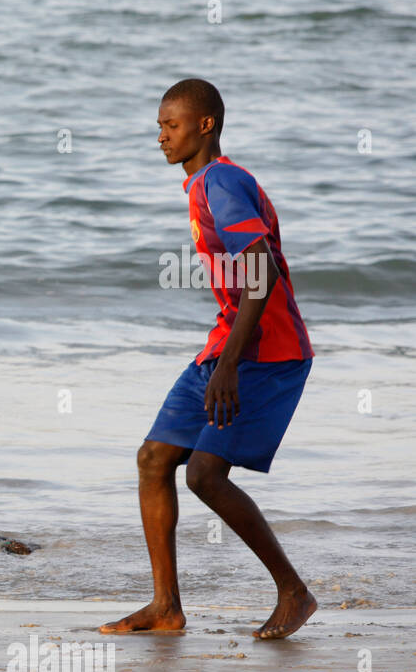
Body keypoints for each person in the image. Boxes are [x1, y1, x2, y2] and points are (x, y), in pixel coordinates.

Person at [100, 79, 316, 640]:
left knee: (204, 474)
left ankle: (294, 591)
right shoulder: (207, 183)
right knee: (154, 459)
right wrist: (220, 357)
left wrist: (228, 368)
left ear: (205, 125)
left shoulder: (220, 182)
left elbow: (262, 269)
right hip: (227, 344)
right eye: (158, 127)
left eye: (171, 126)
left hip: (267, 353)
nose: (161, 137)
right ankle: (165, 607)